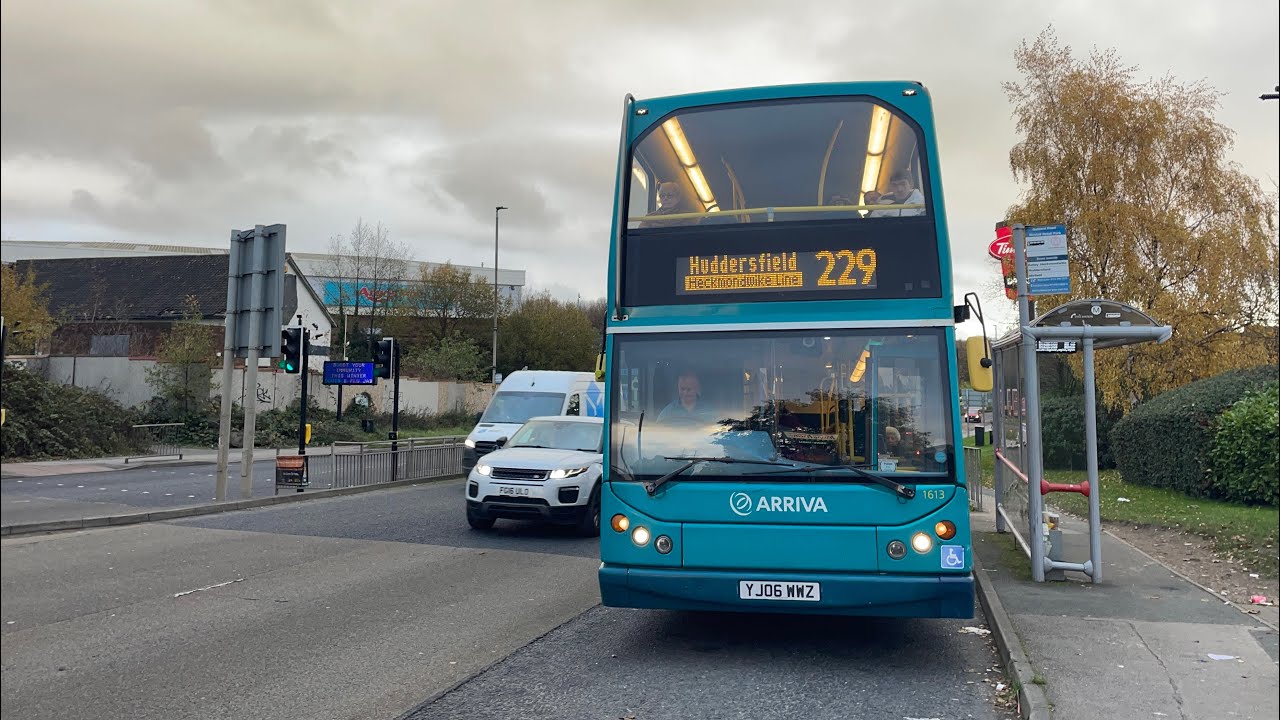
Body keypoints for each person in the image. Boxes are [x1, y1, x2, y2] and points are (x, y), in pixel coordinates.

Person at [638, 182, 703, 228]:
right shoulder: (650, 217)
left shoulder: (689, 216)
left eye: (669, 195)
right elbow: (641, 233)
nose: (665, 198)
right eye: (662, 195)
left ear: (678, 197)